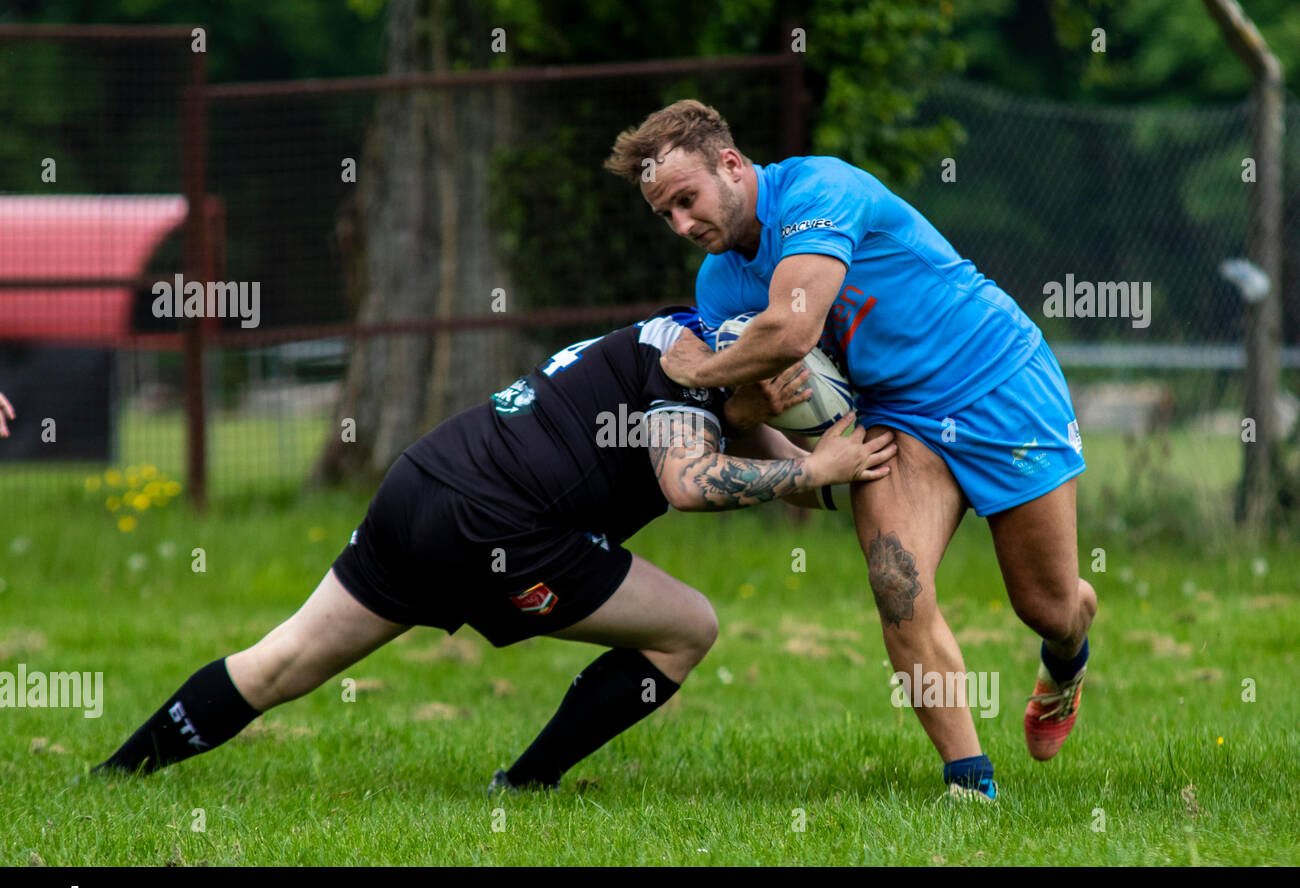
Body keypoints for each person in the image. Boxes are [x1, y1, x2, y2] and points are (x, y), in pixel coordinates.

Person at [94, 308, 896, 791]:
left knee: (280, 661)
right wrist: (817, 463)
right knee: (688, 628)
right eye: (793, 380)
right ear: (756, 358)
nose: (797, 397)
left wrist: (853, 469)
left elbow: (799, 478)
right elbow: (691, 483)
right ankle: (524, 784)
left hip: (421, 484)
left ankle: (114, 778)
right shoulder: (689, 377)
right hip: (500, 531)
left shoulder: (702, 352)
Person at [605, 101, 1098, 802]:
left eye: (687, 200)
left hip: (996, 378)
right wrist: (761, 405)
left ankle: (1067, 658)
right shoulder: (718, 285)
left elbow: (790, 331)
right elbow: (741, 411)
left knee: (1046, 605)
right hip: (898, 417)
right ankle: (971, 786)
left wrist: (698, 371)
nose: (683, 225)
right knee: (898, 585)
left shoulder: (820, 190)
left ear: (732, 165)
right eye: (666, 215)